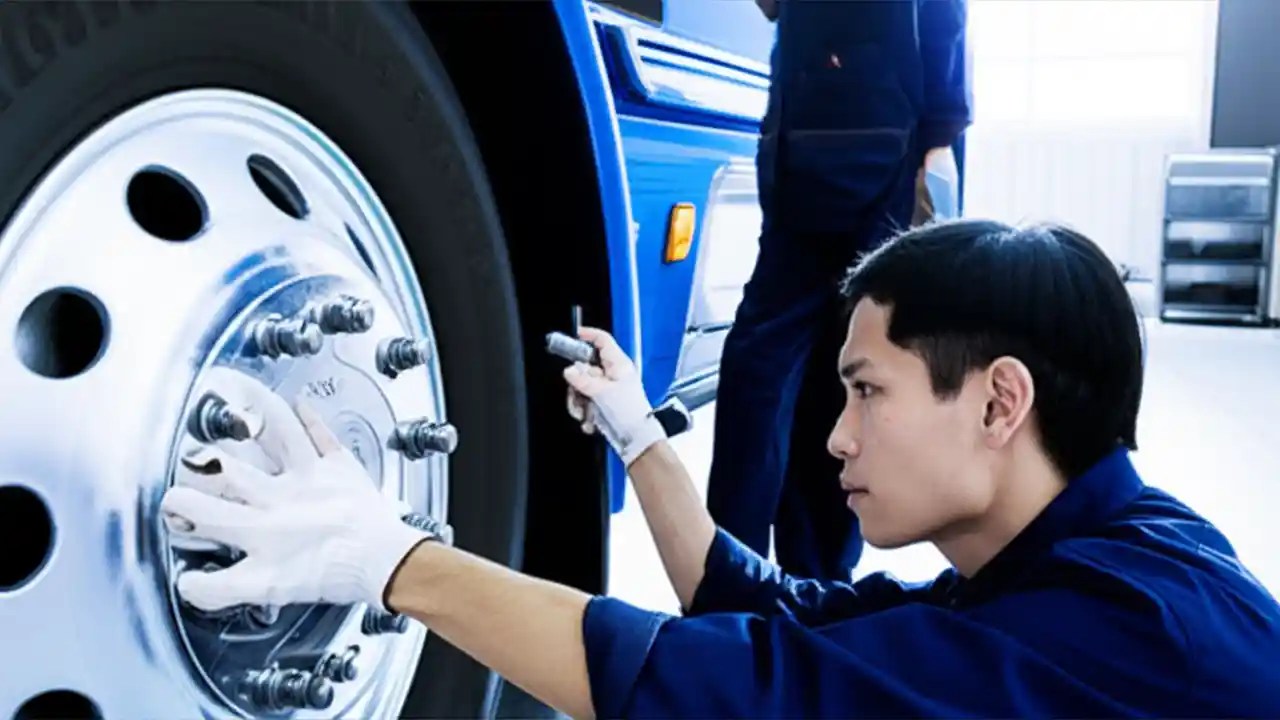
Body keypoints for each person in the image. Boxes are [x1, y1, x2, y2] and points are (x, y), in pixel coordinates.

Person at [161, 219, 1280, 718]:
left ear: (997, 400)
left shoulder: (1129, 629)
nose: (834, 437)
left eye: (864, 391)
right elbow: (790, 619)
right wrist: (639, 439)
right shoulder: (1084, 558)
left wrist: (385, 559)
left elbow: (746, 691)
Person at [707, 0, 972, 581]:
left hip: (815, 129)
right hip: (878, 135)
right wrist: (945, 130)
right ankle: (813, 571)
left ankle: (734, 566)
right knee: (842, 359)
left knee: (779, 363)